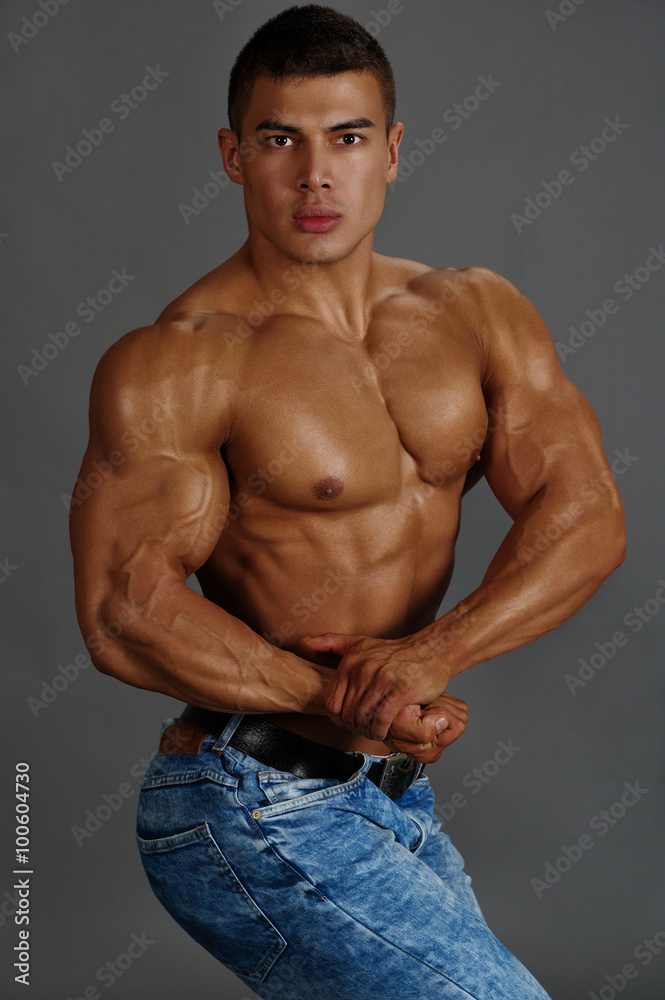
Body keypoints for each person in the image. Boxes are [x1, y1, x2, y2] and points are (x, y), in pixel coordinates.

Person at [68, 5, 625, 998]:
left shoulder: (475, 310)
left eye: (347, 138)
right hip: (249, 798)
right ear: (233, 155)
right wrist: (338, 693)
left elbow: (583, 515)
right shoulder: (180, 359)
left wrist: (432, 653)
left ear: (394, 150)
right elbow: (124, 612)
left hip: (392, 794)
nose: (315, 175)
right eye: (280, 140)